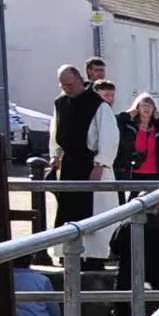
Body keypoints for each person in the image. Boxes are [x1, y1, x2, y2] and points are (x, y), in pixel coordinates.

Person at [50, 64, 119, 271]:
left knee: (95, 213)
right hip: (69, 166)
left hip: (92, 165)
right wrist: (55, 155)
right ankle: (69, 254)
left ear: (79, 80)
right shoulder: (60, 103)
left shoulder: (97, 105)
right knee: (68, 211)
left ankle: (95, 257)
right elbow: (55, 132)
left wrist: (101, 163)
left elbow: (109, 136)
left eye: (70, 85)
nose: (67, 89)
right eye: (63, 85)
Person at [108, 205, 159, 316]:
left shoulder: (124, 227)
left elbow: (113, 253)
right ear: (158, 207)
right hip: (155, 281)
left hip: (126, 282)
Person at [116, 93, 159, 185]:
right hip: (132, 173)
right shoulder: (129, 127)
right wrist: (127, 115)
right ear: (137, 108)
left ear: (154, 109)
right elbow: (115, 122)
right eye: (143, 105)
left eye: (150, 106)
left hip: (155, 173)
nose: (146, 108)